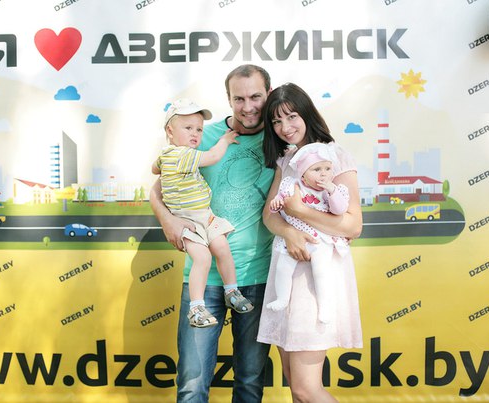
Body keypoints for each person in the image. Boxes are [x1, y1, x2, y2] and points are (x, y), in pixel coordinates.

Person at [149, 64, 274, 402]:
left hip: (257, 277)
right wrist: (169, 221)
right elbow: (156, 190)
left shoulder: (280, 139)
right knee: (192, 383)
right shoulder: (201, 135)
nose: (248, 106)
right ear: (229, 99)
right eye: (239, 99)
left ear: (268, 94)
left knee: (250, 383)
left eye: (255, 97)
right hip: (203, 281)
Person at [256, 82, 363, 402]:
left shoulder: (334, 156)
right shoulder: (286, 160)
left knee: (306, 388)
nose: (285, 127)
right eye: (276, 121)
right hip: (286, 275)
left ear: (307, 114)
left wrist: (299, 211)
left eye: (291, 117)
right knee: (296, 388)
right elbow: (269, 215)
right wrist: (289, 231)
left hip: (317, 281)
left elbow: (353, 225)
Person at [152, 98, 254, 328]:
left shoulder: (166, 155)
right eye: (188, 128)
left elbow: (154, 168)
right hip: (190, 223)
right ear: (170, 131)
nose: (195, 134)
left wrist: (162, 168)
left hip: (205, 217)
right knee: (204, 258)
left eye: (199, 129)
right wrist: (225, 140)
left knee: (221, 247)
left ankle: (231, 291)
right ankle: (196, 307)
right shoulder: (183, 155)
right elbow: (213, 157)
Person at [266, 142, 350, 326]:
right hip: (295, 236)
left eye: (327, 168)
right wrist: (276, 203)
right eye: (316, 169)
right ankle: (282, 298)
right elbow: (280, 201)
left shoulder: (333, 190)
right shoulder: (292, 184)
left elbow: (339, 209)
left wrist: (331, 190)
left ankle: (325, 307)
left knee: (322, 271)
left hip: (320, 239)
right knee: (283, 268)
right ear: (303, 173)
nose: (324, 174)